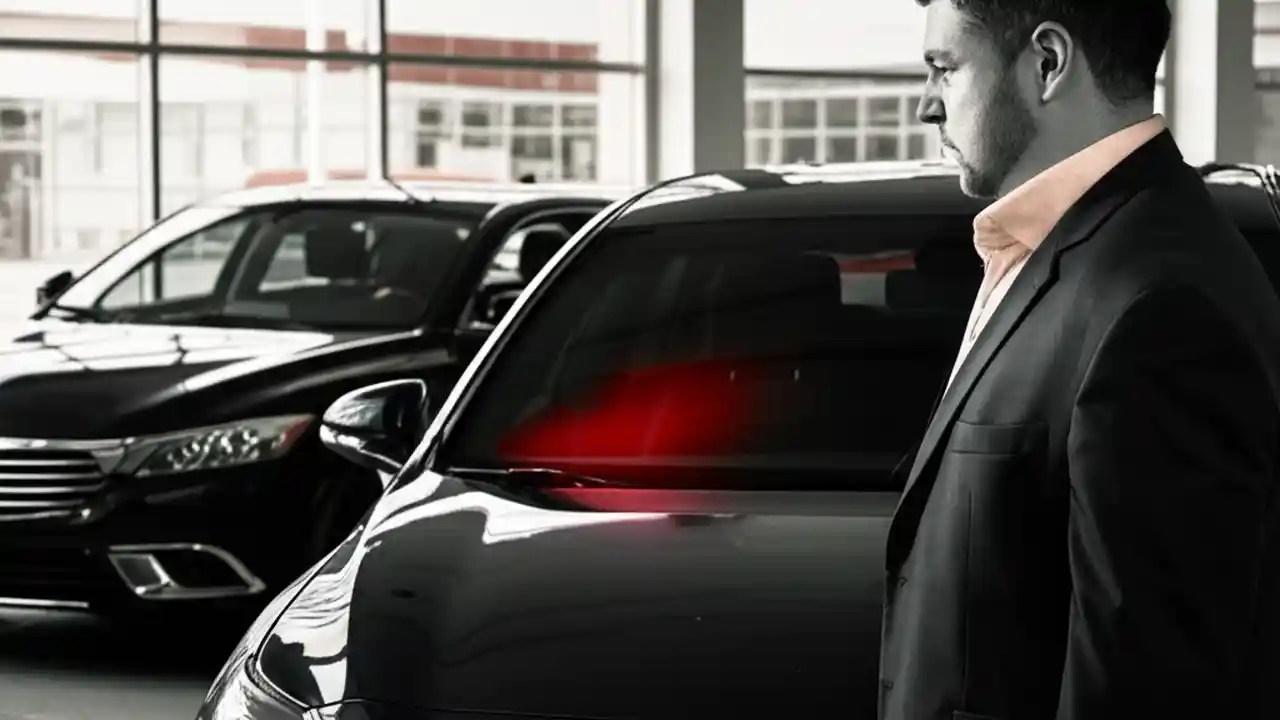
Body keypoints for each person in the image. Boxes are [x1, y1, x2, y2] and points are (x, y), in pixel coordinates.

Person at [879, 1, 1280, 719]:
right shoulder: (1076, 248)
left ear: (1048, 63)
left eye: (945, 67)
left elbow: (1143, 686)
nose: (926, 106)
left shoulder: (1159, 300)